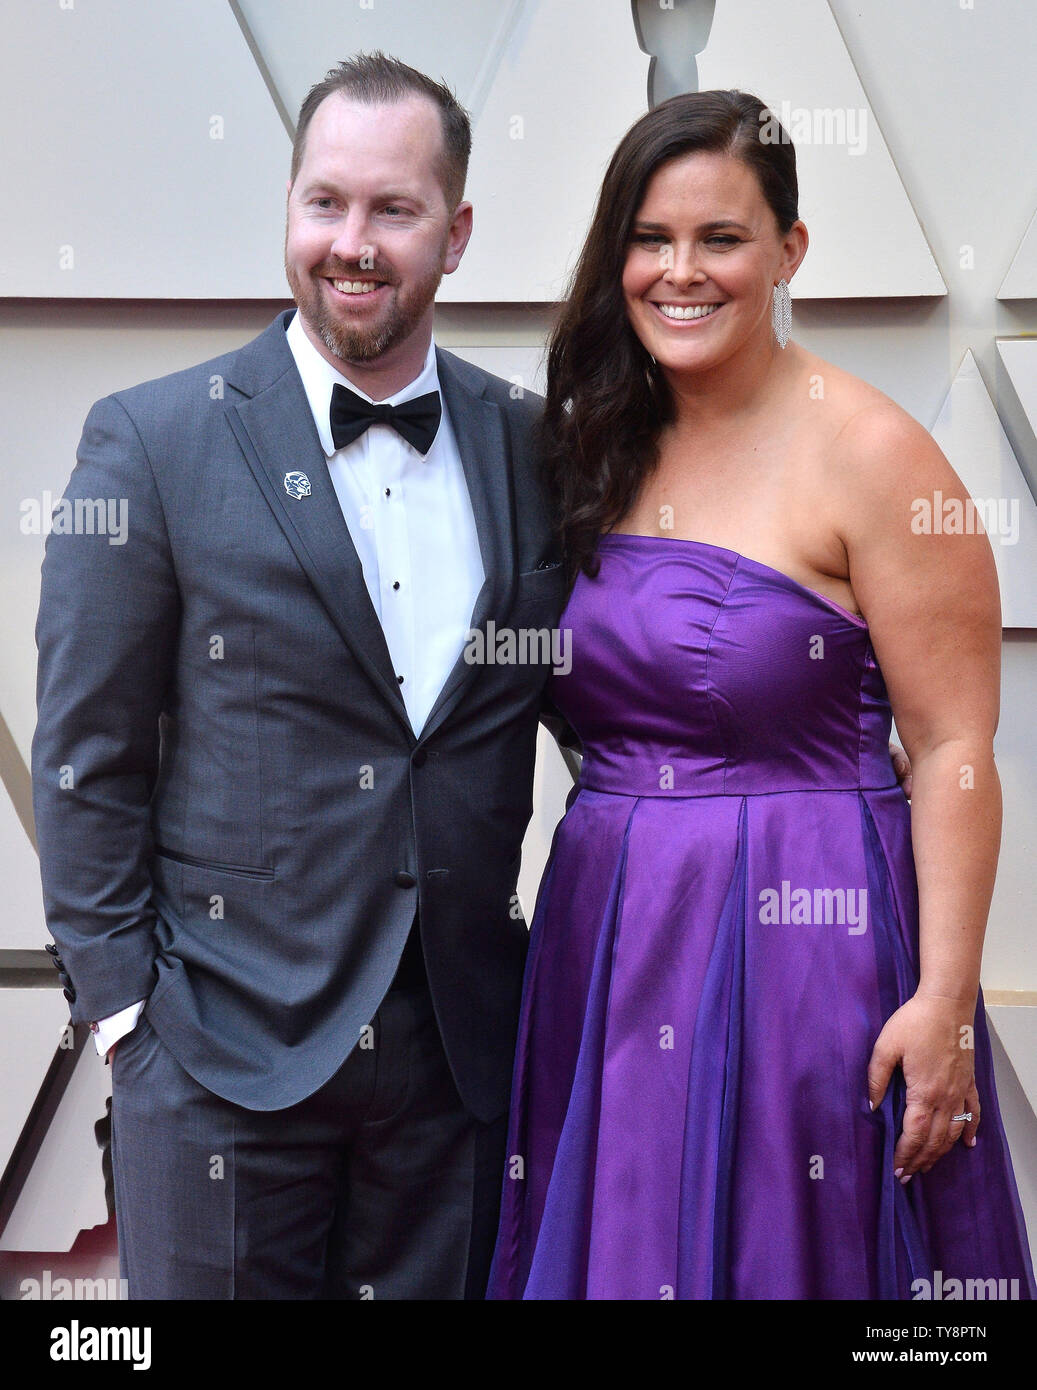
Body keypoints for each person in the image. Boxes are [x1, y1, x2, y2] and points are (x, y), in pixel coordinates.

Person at [31, 52, 569, 1300]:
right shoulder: (152, 440)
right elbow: (86, 755)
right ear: (288, 211)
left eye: (394, 208)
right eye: (324, 202)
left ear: (458, 230)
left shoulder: (536, 446)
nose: (353, 242)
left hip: (454, 1074)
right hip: (218, 1067)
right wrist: (128, 1023)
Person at [488, 89, 1035, 1300]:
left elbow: (951, 743)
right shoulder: (591, 444)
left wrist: (946, 998)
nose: (679, 272)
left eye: (719, 239)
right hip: (612, 938)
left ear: (789, 249)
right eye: (649, 238)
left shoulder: (874, 453)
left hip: (809, 945)